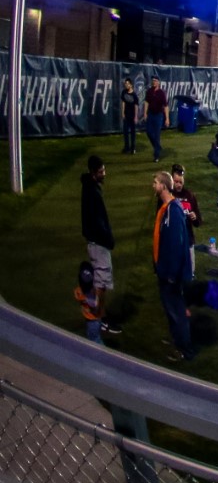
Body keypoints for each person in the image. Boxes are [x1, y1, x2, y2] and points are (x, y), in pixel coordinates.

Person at [152, 171, 198, 362]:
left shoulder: (174, 210)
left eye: (155, 182)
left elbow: (177, 245)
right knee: (171, 310)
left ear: (163, 186)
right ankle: (176, 341)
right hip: (166, 271)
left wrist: (172, 274)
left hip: (172, 274)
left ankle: (184, 350)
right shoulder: (166, 208)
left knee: (177, 311)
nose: (153, 186)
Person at [79, 156, 121, 334]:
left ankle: (98, 315)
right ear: (93, 173)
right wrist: (108, 239)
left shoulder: (90, 187)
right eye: (101, 171)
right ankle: (100, 318)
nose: (104, 174)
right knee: (101, 283)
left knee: (100, 282)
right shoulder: (92, 192)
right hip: (98, 243)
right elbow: (97, 222)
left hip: (95, 242)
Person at [76, 260, 104, 343]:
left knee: (94, 340)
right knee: (95, 338)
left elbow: (95, 307)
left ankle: (102, 351)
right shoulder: (92, 293)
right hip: (94, 320)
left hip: (93, 321)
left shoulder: (79, 292)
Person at [144, 77, 169, 161]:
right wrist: (145, 113)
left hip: (158, 115)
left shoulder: (161, 93)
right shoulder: (149, 91)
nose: (154, 82)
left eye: (155, 81)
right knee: (149, 132)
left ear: (158, 82)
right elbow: (146, 102)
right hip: (151, 114)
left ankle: (156, 156)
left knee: (157, 134)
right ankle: (157, 146)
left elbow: (166, 106)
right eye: (153, 81)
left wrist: (167, 118)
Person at [120, 78, 139, 153]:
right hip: (126, 115)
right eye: (125, 83)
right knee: (125, 132)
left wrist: (136, 116)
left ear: (131, 85)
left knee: (132, 132)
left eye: (128, 84)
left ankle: (133, 148)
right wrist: (122, 113)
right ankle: (126, 147)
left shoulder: (134, 95)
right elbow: (123, 103)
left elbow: (136, 106)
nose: (126, 85)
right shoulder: (124, 92)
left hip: (132, 116)